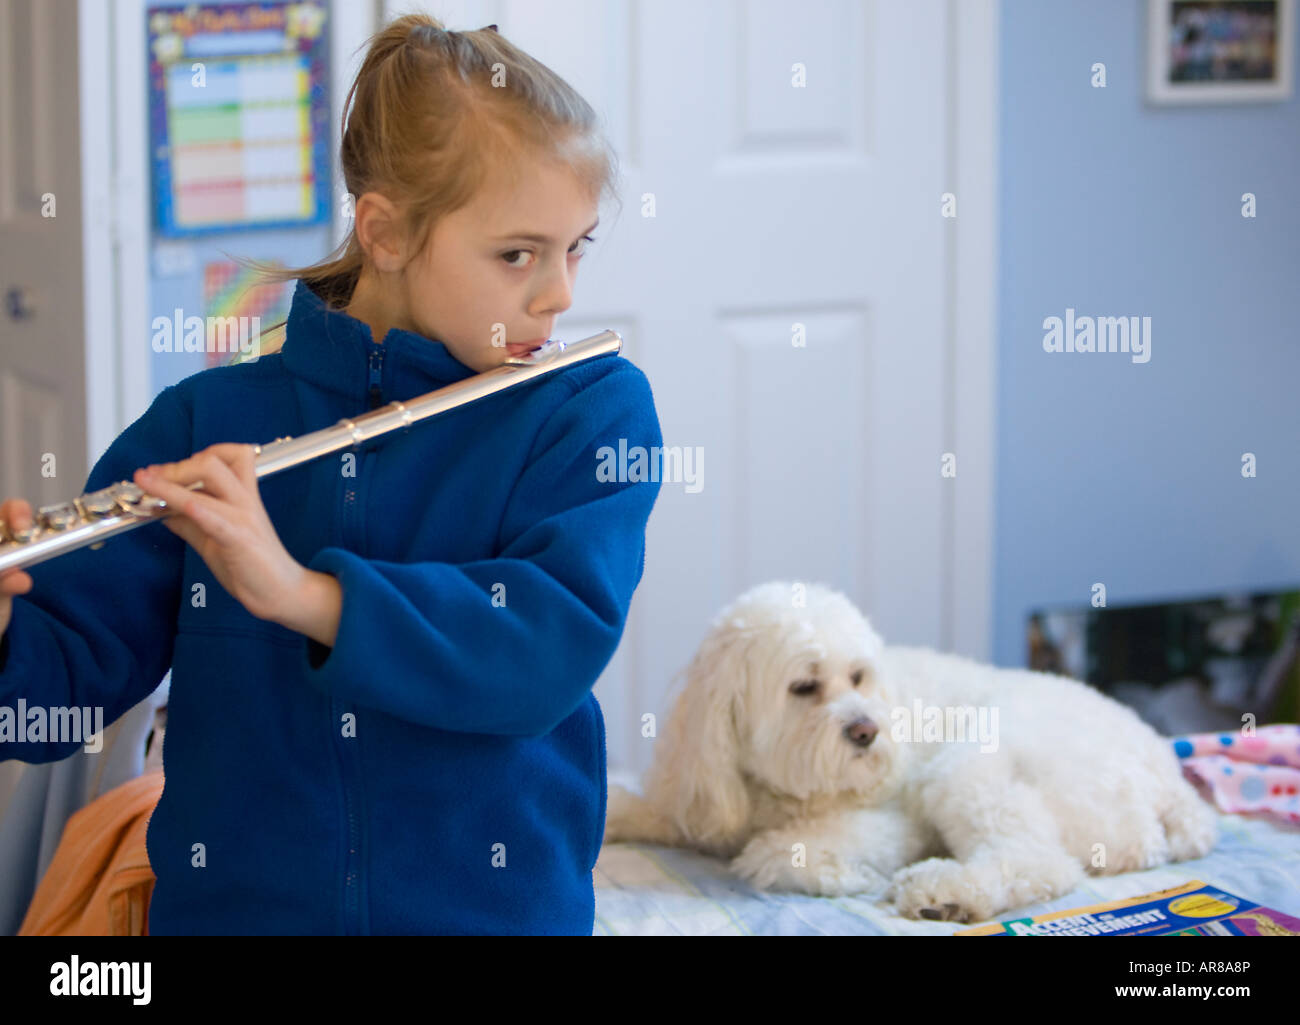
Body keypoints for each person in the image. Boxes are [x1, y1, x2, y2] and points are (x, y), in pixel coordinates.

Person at [0, 14, 663, 935]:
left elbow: (542, 652)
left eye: (576, 245)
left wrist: (303, 594)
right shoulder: (211, 421)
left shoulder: (588, 411)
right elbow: (56, 687)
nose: (560, 294)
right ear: (385, 233)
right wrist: (7, 631)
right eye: (518, 254)